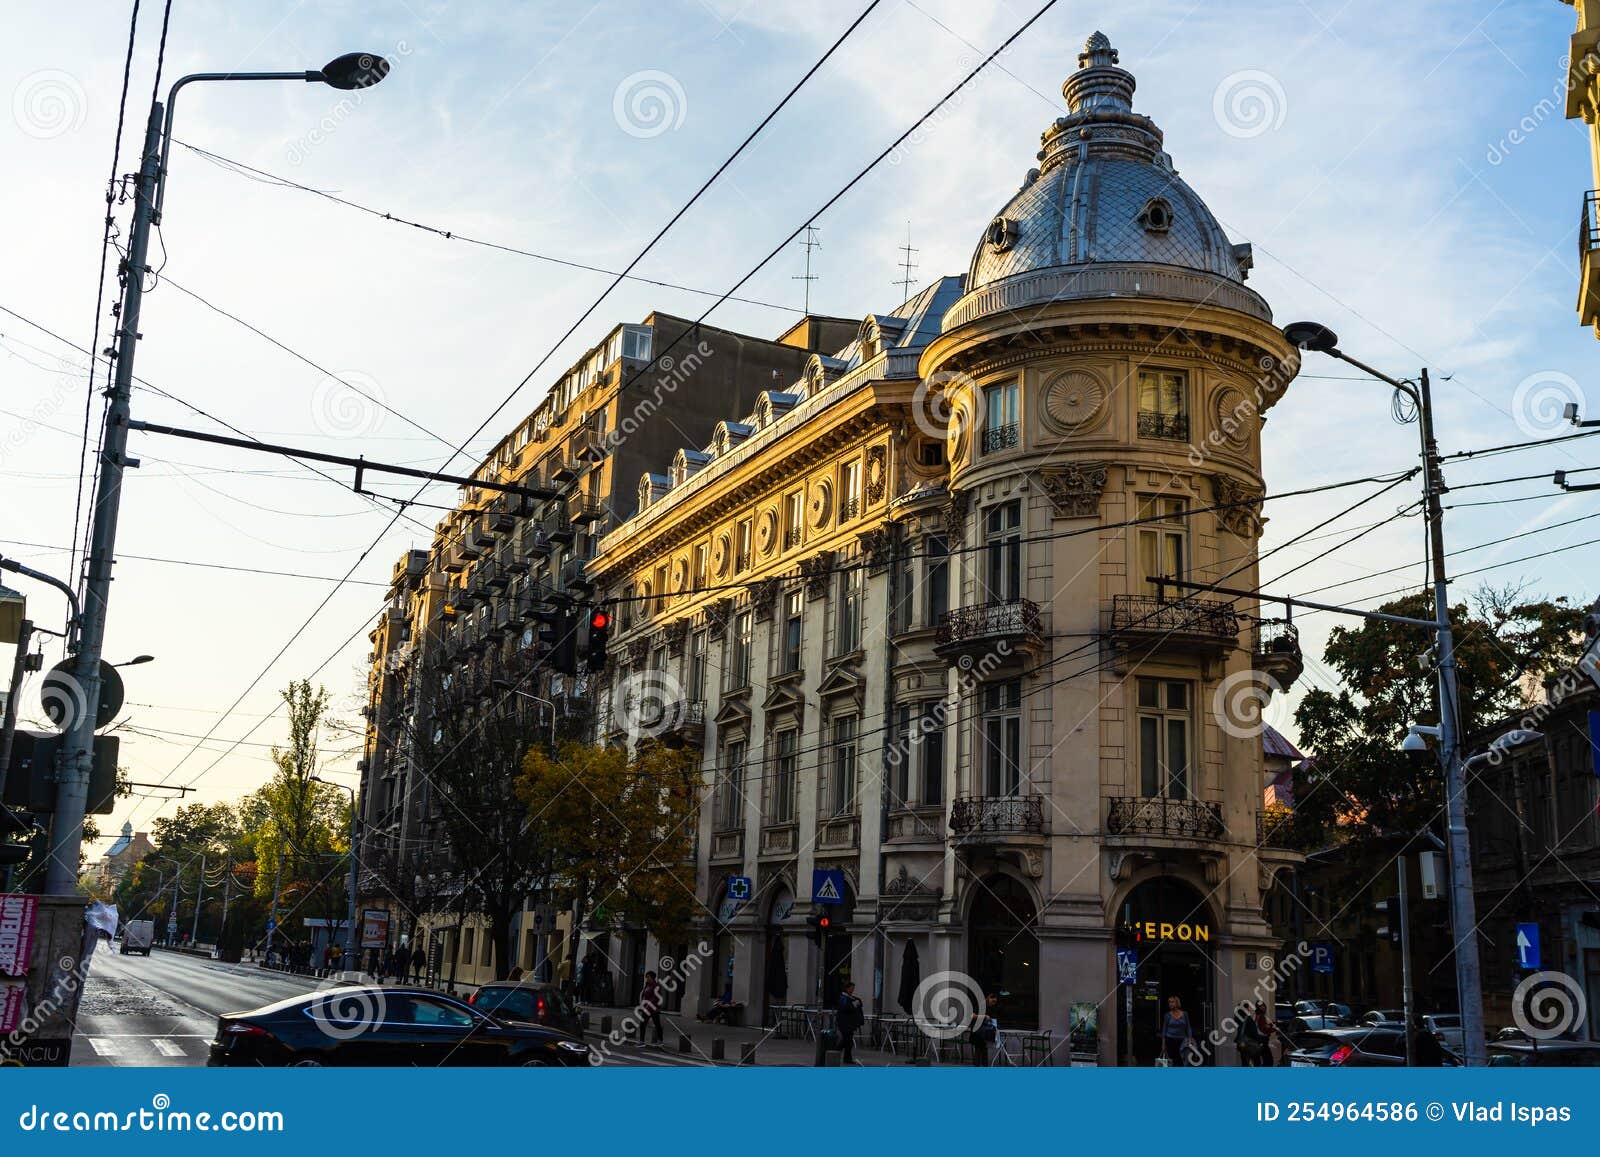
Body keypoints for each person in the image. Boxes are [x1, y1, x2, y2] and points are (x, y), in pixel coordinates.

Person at [1159, 995, 1196, 1065]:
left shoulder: (1185, 1014)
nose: (1170, 1004)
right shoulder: (1167, 1015)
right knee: (1172, 1060)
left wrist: (1190, 1040)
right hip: (1170, 1040)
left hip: (1182, 1041)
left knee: (1181, 1060)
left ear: (1177, 1003)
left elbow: (1188, 1027)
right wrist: (1163, 1044)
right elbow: (1164, 1030)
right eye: (1169, 1002)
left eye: (1172, 1002)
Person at [835, 981, 865, 1065]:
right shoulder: (843, 998)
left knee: (848, 1041)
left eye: (853, 988)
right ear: (847, 988)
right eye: (851, 988)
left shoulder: (851, 998)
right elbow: (845, 1008)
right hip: (844, 1023)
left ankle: (845, 1057)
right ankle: (835, 1053)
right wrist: (854, 1004)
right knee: (846, 1041)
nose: (852, 990)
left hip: (850, 1023)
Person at [969, 993, 1000, 1067]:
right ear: (989, 999)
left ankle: (984, 1065)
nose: (994, 1003)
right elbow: (972, 1016)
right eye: (993, 1001)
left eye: (995, 1002)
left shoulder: (991, 1008)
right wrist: (984, 1016)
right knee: (978, 1048)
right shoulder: (982, 1005)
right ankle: (978, 1065)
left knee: (983, 1048)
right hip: (977, 1030)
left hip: (984, 1031)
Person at [1234, 1001, 1267, 1066]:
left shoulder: (1237, 1018)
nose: (1249, 1009)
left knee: (1245, 1062)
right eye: (1248, 1008)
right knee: (1256, 1062)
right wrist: (1260, 1041)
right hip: (1249, 1043)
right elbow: (1253, 1031)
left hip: (1242, 1043)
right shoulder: (1248, 1018)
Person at [637, 969, 664, 1045]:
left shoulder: (656, 986)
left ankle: (660, 1040)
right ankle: (641, 1041)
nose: (647, 978)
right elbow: (645, 995)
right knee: (642, 1024)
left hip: (653, 1009)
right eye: (646, 977)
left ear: (652, 977)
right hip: (646, 1008)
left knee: (657, 1024)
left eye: (648, 977)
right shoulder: (647, 985)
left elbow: (655, 998)